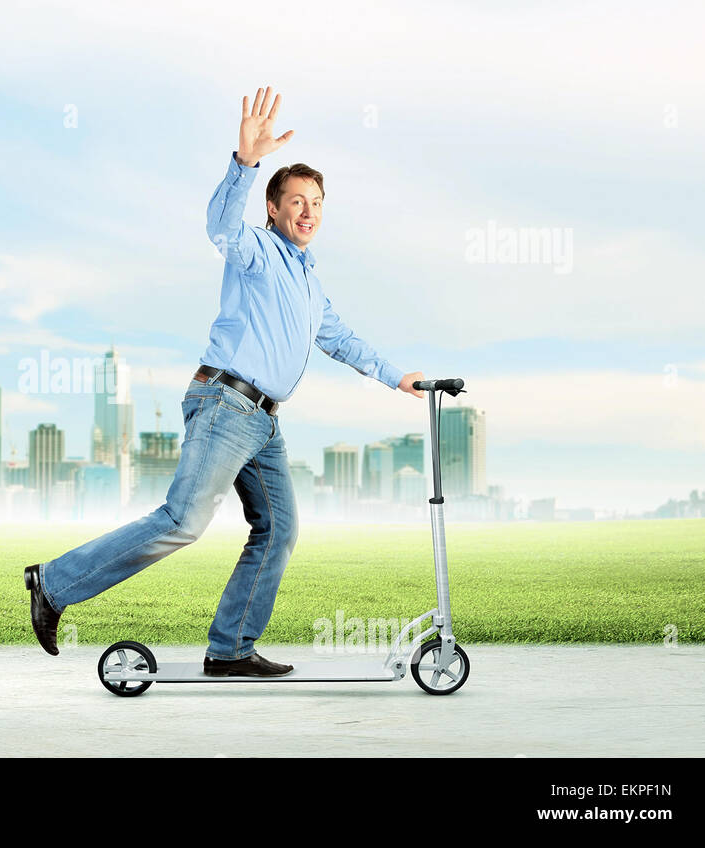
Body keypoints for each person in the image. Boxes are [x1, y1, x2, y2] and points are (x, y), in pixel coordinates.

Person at [24, 86, 426, 676]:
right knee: (183, 521)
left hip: (263, 422)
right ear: (274, 208)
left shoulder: (311, 282)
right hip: (226, 402)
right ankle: (54, 583)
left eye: (317, 202)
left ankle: (231, 648)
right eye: (296, 201)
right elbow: (220, 228)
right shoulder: (257, 249)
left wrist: (399, 378)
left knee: (279, 530)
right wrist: (245, 163)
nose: (308, 211)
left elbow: (341, 339)